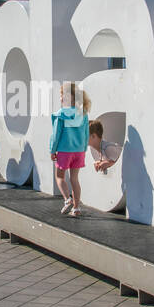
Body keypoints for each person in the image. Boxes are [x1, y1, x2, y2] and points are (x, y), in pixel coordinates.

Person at [49, 81, 91, 218]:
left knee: (59, 176)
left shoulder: (61, 114)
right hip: (79, 151)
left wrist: (52, 150)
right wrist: (83, 149)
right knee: (75, 179)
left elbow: (56, 135)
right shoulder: (83, 113)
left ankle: (67, 199)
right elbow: (86, 134)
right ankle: (77, 208)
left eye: (63, 94)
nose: (61, 97)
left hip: (64, 150)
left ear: (71, 97)